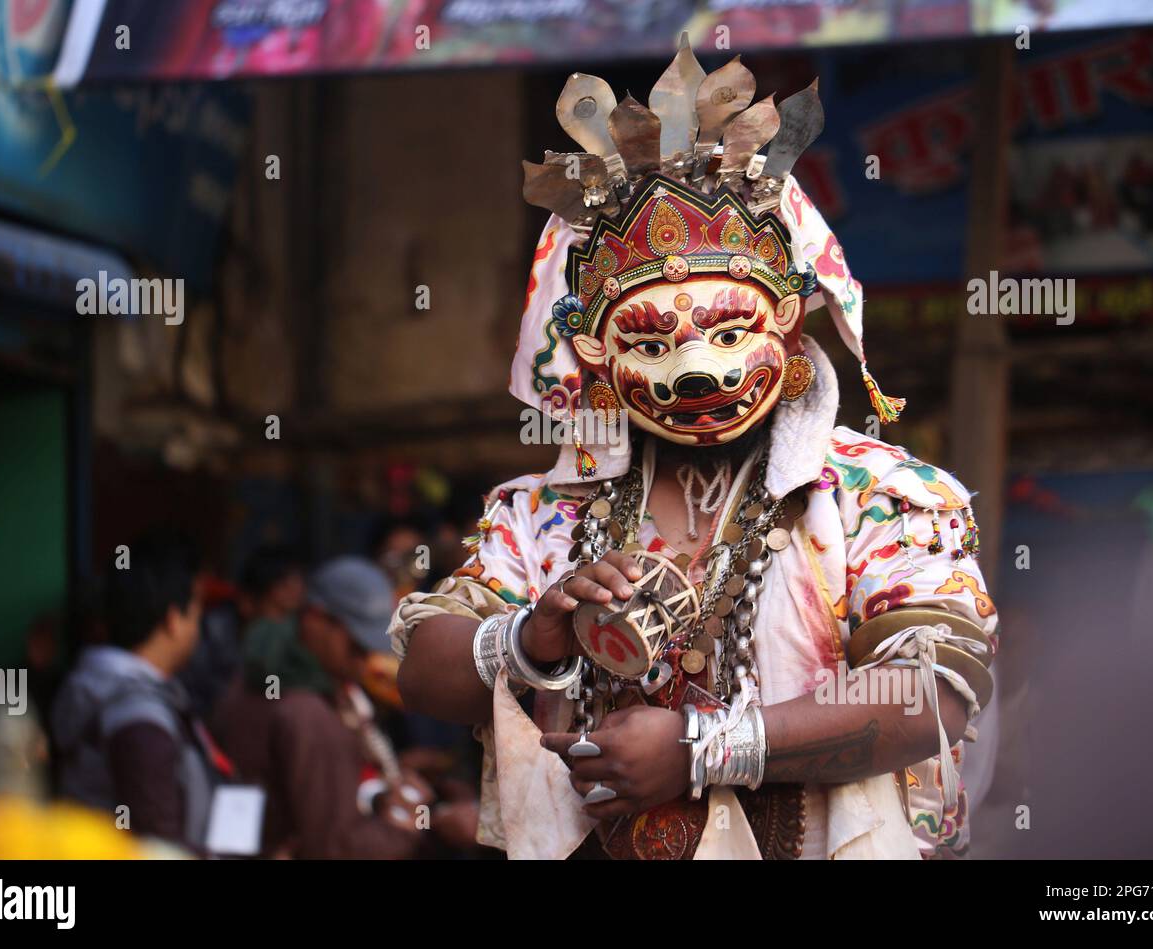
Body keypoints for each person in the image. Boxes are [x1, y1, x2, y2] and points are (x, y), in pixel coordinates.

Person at [392, 41, 999, 860]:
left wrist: (702, 749)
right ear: (596, 355)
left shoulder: (879, 493)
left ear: (786, 322)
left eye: (728, 328)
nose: (694, 370)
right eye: (650, 340)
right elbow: (424, 672)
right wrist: (535, 638)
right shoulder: (542, 513)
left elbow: (932, 694)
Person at [213, 557, 477, 858]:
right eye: (356, 646)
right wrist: (406, 825)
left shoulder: (268, 675)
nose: (364, 661)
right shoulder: (305, 712)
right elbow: (333, 848)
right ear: (314, 618)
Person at [52, 532, 222, 852]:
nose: (200, 628)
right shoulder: (138, 715)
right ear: (173, 620)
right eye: (197, 613)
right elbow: (159, 847)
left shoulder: (103, 686)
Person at [180, 544, 306, 720]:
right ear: (247, 602)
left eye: (291, 616)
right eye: (278, 612)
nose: (283, 626)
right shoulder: (207, 637)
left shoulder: (292, 649)